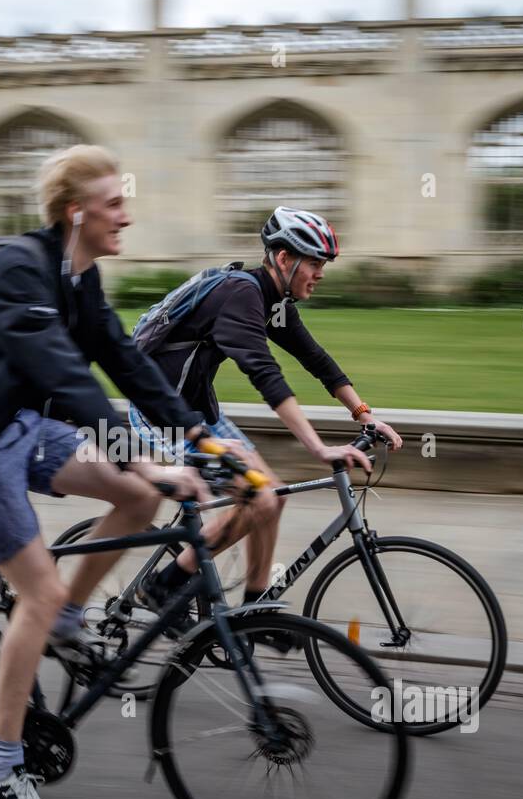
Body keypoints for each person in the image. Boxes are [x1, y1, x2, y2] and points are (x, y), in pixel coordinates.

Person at [0, 145, 272, 799]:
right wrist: (146, 455)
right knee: (35, 592)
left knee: (139, 498)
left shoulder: (80, 278)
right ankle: (1, 767)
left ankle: (70, 621)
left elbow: (125, 361)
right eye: (113, 204)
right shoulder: (16, 269)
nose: (125, 216)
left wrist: (202, 438)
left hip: (22, 425)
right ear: (77, 213)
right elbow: (66, 375)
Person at [130, 207, 403, 644]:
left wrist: (365, 415)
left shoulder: (274, 301)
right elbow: (264, 373)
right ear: (281, 258)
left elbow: (315, 359)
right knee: (259, 498)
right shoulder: (241, 293)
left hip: (199, 413)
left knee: (270, 496)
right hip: (160, 414)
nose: (320, 273)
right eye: (314, 263)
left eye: (322, 265)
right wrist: (319, 448)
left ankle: (254, 614)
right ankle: (161, 585)